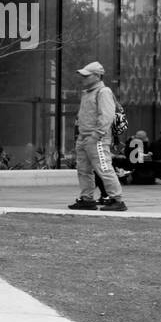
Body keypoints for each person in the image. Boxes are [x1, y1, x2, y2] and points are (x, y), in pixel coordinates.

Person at [68, 61, 127, 211]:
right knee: (83, 170)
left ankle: (117, 199)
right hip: (84, 138)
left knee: (105, 168)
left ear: (96, 76)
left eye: (86, 76)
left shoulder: (103, 92)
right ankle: (87, 199)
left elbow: (106, 116)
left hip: (97, 138)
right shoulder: (87, 93)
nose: (83, 78)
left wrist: (96, 135)